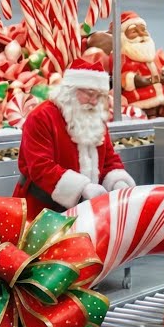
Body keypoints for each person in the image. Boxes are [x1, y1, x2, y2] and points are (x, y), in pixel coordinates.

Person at [14, 58, 137, 216]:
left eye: (99, 95)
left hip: (86, 211)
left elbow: (108, 159)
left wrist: (117, 182)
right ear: (70, 90)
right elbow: (40, 167)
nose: (94, 101)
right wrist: (82, 188)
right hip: (40, 211)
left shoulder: (96, 118)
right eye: (89, 94)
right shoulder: (41, 117)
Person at [119, 12, 164, 117]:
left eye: (143, 29)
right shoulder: (125, 57)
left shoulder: (152, 54)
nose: (141, 34)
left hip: (163, 97)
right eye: (134, 31)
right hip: (142, 100)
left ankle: (162, 113)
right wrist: (141, 80)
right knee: (150, 116)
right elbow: (125, 78)